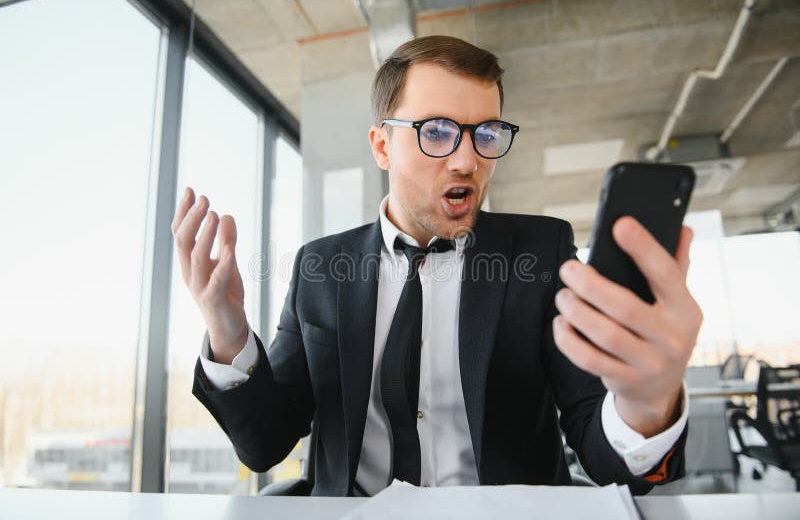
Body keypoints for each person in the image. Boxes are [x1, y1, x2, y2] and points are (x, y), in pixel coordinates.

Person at [171, 36, 702, 497]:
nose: (468, 161)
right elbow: (265, 445)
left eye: (486, 133)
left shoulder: (542, 252)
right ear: (382, 146)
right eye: (437, 131)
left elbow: (598, 445)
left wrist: (644, 404)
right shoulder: (321, 266)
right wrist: (228, 331)